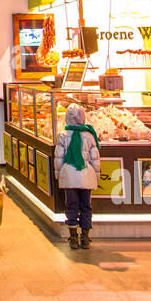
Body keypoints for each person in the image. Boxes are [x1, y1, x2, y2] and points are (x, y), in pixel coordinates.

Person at [56, 103, 101, 250]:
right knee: (86, 206)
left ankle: (73, 237)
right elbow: (95, 159)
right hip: (86, 176)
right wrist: (96, 175)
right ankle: (85, 237)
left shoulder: (63, 135)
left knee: (71, 205)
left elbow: (59, 158)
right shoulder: (89, 135)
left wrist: (58, 174)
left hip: (69, 176)